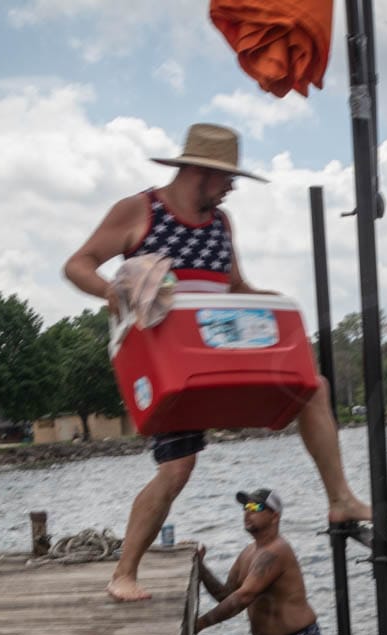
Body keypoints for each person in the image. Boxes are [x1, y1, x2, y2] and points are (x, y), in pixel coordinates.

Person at [63, 122, 369, 602]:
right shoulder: (139, 211)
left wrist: (279, 302)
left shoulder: (222, 224)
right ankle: (124, 572)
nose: (231, 188)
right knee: (177, 469)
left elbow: (237, 288)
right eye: (227, 178)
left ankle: (340, 499)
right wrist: (113, 293)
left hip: (225, 354)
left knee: (314, 387)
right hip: (170, 367)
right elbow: (77, 264)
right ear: (200, 173)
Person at [194, 489, 326, 635]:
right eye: (245, 507)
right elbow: (225, 594)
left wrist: (199, 624)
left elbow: (244, 597)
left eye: (255, 507)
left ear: (275, 516)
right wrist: (199, 566)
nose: (248, 512)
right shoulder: (248, 552)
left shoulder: (277, 551)